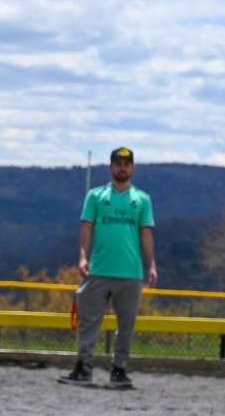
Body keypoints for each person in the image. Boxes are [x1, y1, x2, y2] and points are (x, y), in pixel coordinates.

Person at [60, 146, 156, 389]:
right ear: (111, 166)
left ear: (133, 167)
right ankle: (83, 368)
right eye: (118, 164)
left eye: (126, 164)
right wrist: (83, 257)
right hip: (99, 269)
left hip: (130, 271)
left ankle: (119, 370)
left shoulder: (142, 199)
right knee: (89, 322)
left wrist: (151, 264)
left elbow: (146, 233)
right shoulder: (95, 196)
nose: (122, 168)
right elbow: (86, 229)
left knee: (127, 325)